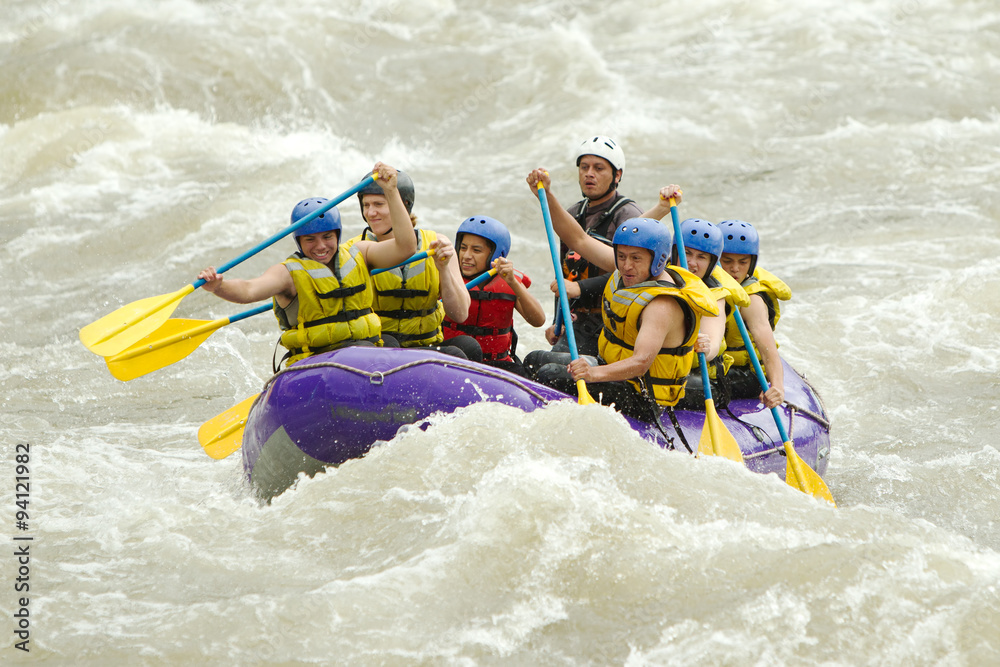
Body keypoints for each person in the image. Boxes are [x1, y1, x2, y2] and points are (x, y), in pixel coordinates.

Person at [524, 169, 719, 424]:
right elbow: (579, 239)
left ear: (659, 260)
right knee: (533, 360)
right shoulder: (630, 271)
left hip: (643, 395)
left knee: (550, 373)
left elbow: (640, 363)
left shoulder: (662, 304)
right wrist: (546, 194)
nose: (626, 265)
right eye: (622, 256)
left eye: (636, 258)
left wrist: (592, 374)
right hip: (613, 369)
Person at [196, 162, 418, 368]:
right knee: (366, 352)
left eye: (327, 237)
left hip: (364, 359)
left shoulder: (360, 253)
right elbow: (249, 289)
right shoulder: (287, 274)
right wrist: (218, 286)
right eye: (310, 239)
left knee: (386, 346)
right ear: (299, 241)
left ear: (337, 235)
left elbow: (406, 247)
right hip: (316, 368)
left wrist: (390, 191)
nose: (320, 246)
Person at [527, 136, 646, 362]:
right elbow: (564, 275)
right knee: (535, 362)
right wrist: (558, 322)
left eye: (598, 168)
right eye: (584, 167)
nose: (589, 173)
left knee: (550, 367)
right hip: (578, 322)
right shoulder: (573, 214)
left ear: (617, 175)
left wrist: (580, 288)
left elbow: (631, 276)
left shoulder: (628, 216)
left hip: (612, 322)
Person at [344, 170, 477, 360]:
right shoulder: (355, 250)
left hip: (424, 345)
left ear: (403, 205)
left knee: (467, 348)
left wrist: (443, 270)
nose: (371, 212)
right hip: (381, 347)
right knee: (389, 344)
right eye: (366, 205)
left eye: (379, 204)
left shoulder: (437, 244)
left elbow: (460, 314)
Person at [442, 215, 546, 376]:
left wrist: (513, 282)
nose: (466, 256)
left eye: (476, 250)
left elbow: (538, 320)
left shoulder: (510, 282)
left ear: (497, 254)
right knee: (466, 346)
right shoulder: (446, 275)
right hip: (454, 359)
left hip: (497, 364)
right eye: (463, 248)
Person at [717, 219, 791, 408]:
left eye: (743, 262)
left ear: (752, 263)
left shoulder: (752, 302)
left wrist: (778, 387)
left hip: (744, 373)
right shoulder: (704, 286)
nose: (735, 269)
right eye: (727, 261)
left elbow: (767, 347)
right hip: (716, 365)